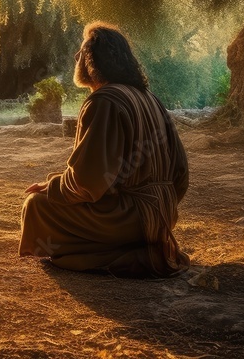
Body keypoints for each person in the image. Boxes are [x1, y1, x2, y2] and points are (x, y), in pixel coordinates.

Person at [19, 22, 190, 277]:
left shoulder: (104, 101)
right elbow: (181, 173)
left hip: (128, 219)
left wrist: (53, 189)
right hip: (164, 215)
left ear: (92, 60)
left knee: (36, 205)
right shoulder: (149, 98)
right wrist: (161, 206)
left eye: (81, 52)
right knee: (49, 195)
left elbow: (88, 184)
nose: (76, 57)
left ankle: (128, 253)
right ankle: (141, 245)